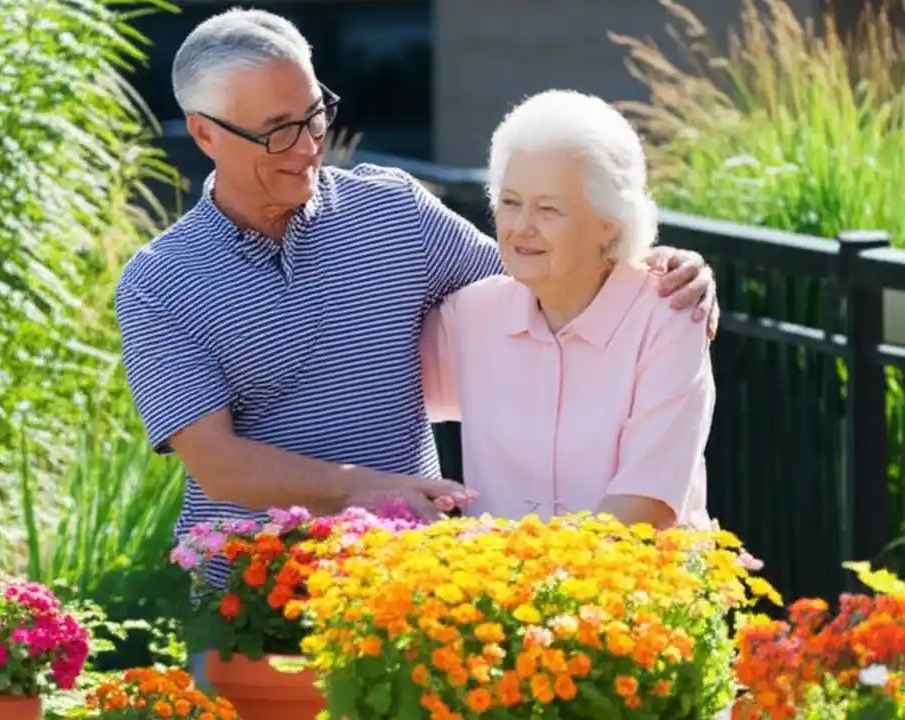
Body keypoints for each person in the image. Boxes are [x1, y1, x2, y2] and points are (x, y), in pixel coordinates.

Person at [113, 8, 717, 685]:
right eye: (276, 132)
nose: (307, 145)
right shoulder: (158, 284)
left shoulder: (394, 213)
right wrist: (364, 490)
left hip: (409, 600)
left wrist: (648, 263)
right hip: (255, 606)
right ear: (203, 133)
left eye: (313, 116)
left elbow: (542, 277)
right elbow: (217, 463)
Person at [420, 89, 713, 530]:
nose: (521, 227)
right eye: (511, 202)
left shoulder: (669, 313)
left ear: (608, 224)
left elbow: (644, 506)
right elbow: (369, 389)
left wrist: (537, 582)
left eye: (548, 209)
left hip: (637, 591)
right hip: (500, 594)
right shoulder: (470, 315)